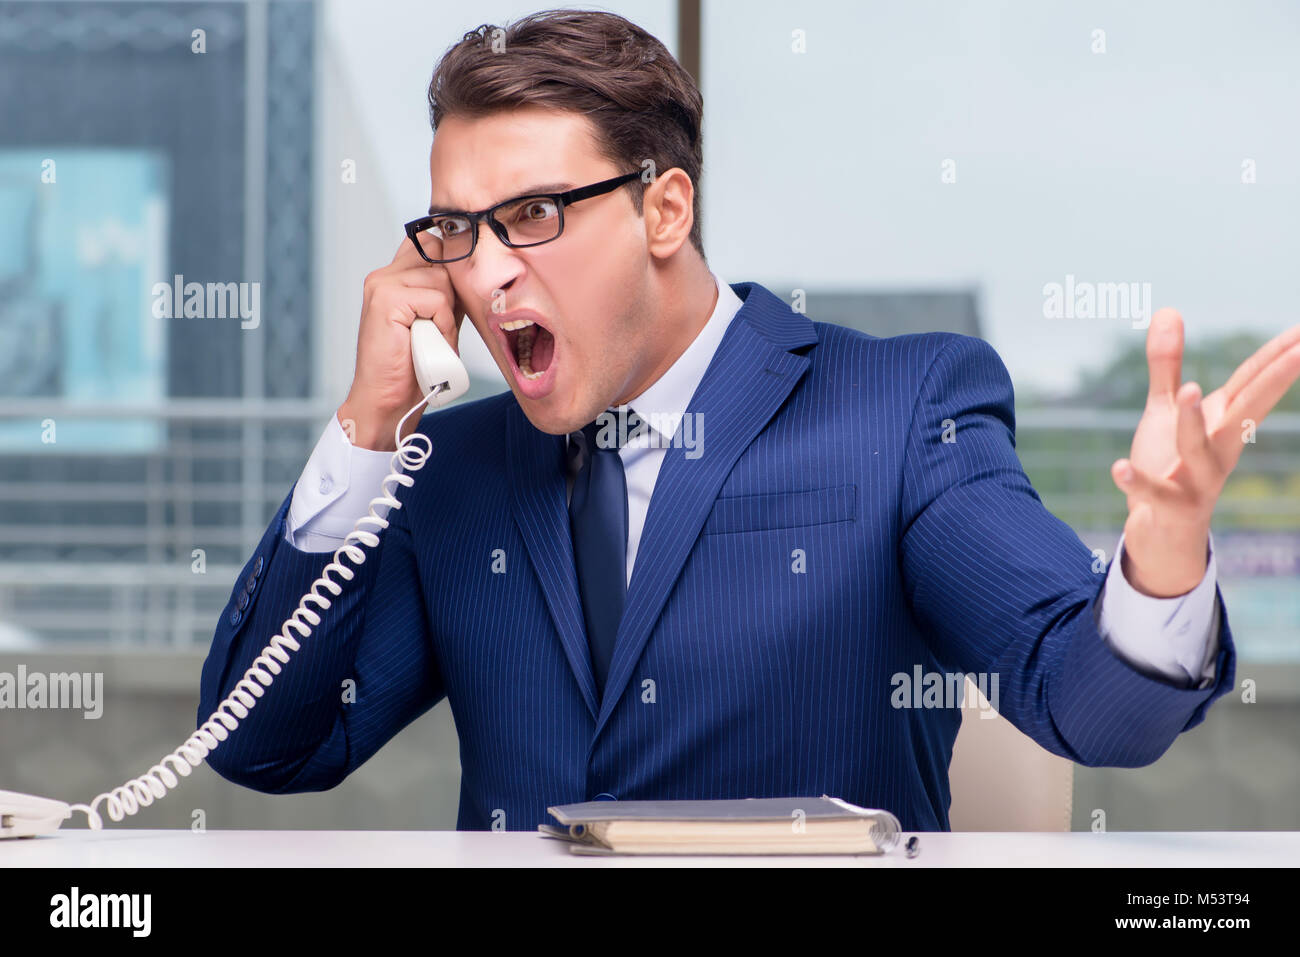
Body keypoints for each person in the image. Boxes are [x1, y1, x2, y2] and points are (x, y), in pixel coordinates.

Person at [198, 8, 1300, 831]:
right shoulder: (451, 469)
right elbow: (264, 748)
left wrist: (1161, 557)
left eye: (528, 217)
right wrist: (362, 429)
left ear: (663, 209)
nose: (483, 276)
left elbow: (1092, 711)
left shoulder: (903, 409)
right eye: (452, 230)